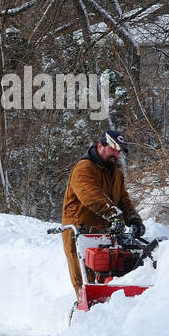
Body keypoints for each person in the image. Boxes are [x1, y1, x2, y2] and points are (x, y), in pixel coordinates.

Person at [59, 128, 144, 299]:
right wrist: (113, 214)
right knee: (85, 279)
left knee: (111, 270)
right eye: (113, 149)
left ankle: (115, 306)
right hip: (81, 228)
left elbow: (123, 200)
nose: (116, 154)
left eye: (119, 151)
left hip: (105, 229)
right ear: (100, 146)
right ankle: (86, 312)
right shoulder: (84, 168)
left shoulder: (116, 173)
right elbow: (89, 194)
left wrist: (133, 220)